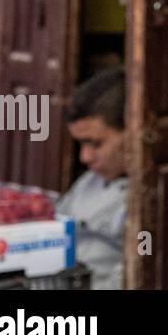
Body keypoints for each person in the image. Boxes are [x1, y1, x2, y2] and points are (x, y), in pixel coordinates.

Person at [57, 68, 128, 289]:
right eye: (81, 144)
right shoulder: (87, 184)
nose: (84, 157)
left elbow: (145, 256)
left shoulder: (147, 206)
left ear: (132, 132)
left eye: (96, 144)